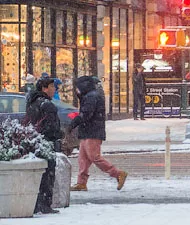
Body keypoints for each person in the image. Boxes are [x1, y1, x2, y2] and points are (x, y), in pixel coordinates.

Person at [70, 76, 127, 192]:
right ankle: (81, 182)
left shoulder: (91, 97)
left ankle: (117, 173)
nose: (76, 90)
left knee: (94, 157)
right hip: (88, 131)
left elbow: (86, 114)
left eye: (77, 87)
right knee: (83, 158)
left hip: (93, 132)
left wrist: (75, 122)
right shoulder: (89, 96)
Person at [24, 77, 62, 214]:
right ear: (44, 88)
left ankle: (37, 202)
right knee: (48, 171)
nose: (54, 89)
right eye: (52, 86)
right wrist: (57, 136)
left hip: (35, 141)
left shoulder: (32, 102)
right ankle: (45, 204)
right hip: (46, 142)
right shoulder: (47, 105)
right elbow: (51, 126)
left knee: (39, 172)